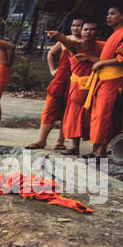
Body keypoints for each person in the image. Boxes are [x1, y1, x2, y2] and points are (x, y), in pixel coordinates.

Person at [85, 5, 123, 158]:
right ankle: (96, 149)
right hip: (103, 79)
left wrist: (102, 63)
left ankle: (101, 151)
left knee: (103, 114)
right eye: (108, 14)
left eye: (113, 14)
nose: (109, 16)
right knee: (98, 114)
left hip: (113, 79)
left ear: (122, 15)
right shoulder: (114, 34)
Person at [26, 17, 84, 149]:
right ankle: (41, 140)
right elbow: (51, 54)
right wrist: (52, 70)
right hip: (61, 78)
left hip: (77, 80)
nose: (75, 28)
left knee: (68, 110)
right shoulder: (65, 39)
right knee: (50, 108)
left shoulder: (87, 43)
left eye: (79, 26)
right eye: (73, 25)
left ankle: (60, 141)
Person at [46, 20, 102, 157]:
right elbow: (67, 43)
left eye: (92, 29)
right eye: (86, 29)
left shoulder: (102, 45)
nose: (89, 32)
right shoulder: (76, 45)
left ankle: (97, 149)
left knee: (95, 118)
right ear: (81, 32)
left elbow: (107, 61)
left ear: (97, 32)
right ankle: (75, 147)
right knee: (74, 117)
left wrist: (89, 57)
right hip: (77, 87)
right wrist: (59, 37)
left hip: (95, 86)